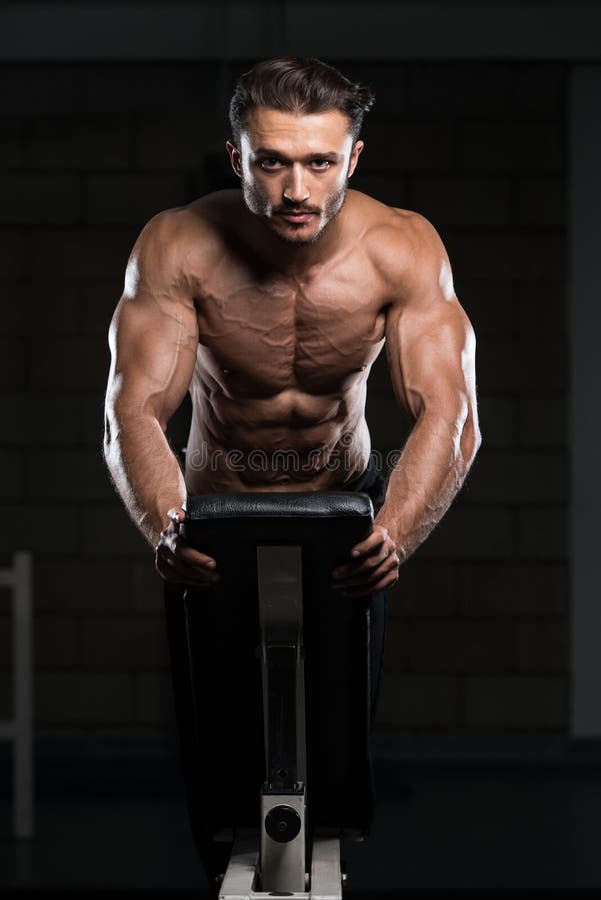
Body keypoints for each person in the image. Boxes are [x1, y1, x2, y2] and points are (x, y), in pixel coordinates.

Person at [103, 56, 481, 894]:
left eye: (318, 162)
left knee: (336, 766)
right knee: (221, 780)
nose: (295, 189)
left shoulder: (401, 249)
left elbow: (449, 414)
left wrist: (397, 532)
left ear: (352, 158)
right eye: (272, 162)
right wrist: (165, 521)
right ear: (238, 158)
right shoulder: (178, 246)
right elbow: (132, 409)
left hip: (343, 524)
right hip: (212, 525)